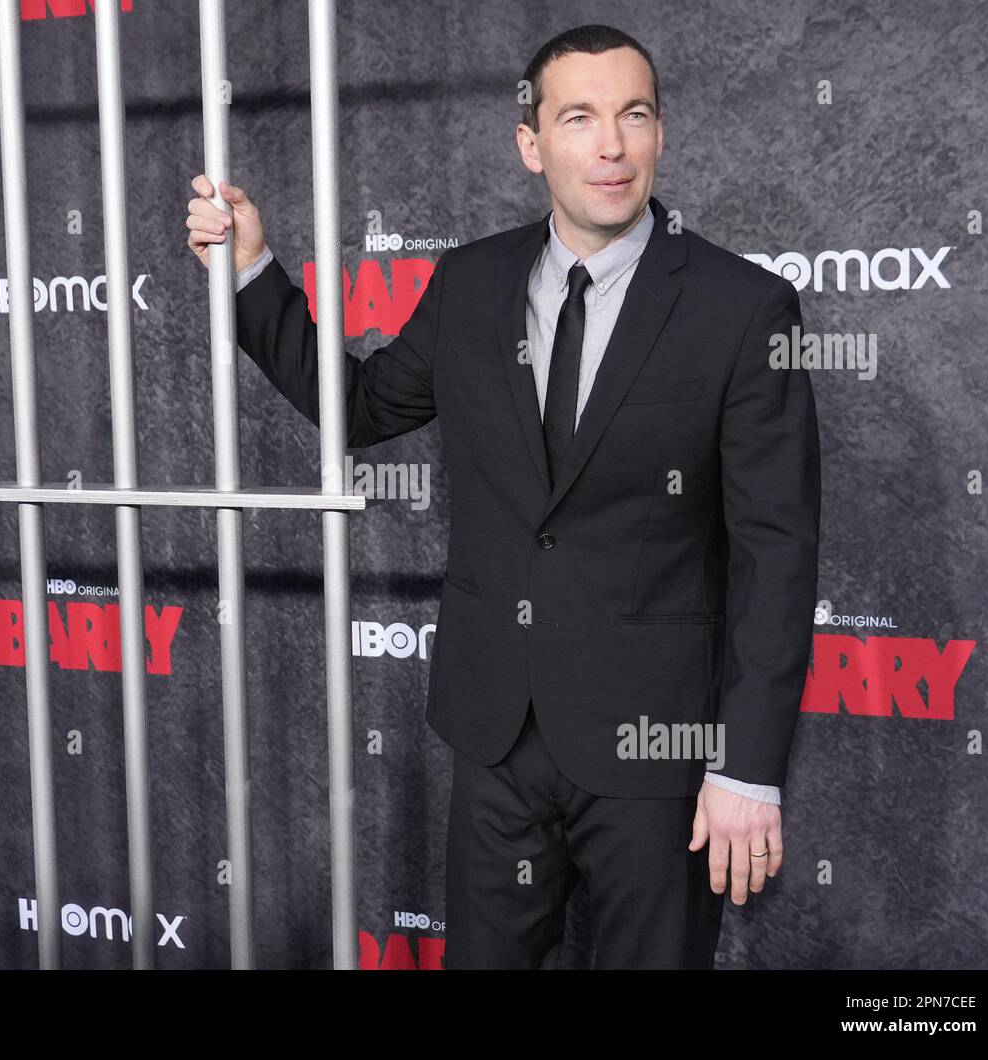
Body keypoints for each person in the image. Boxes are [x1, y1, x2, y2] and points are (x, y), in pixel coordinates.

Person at [185, 23, 820, 969]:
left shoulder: (744, 308)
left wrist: (746, 770)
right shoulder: (471, 281)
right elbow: (356, 406)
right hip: (495, 735)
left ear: (659, 133)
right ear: (532, 144)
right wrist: (249, 272)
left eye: (633, 114)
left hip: (656, 754)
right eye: (579, 118)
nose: (611, 144)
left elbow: (777, 553)